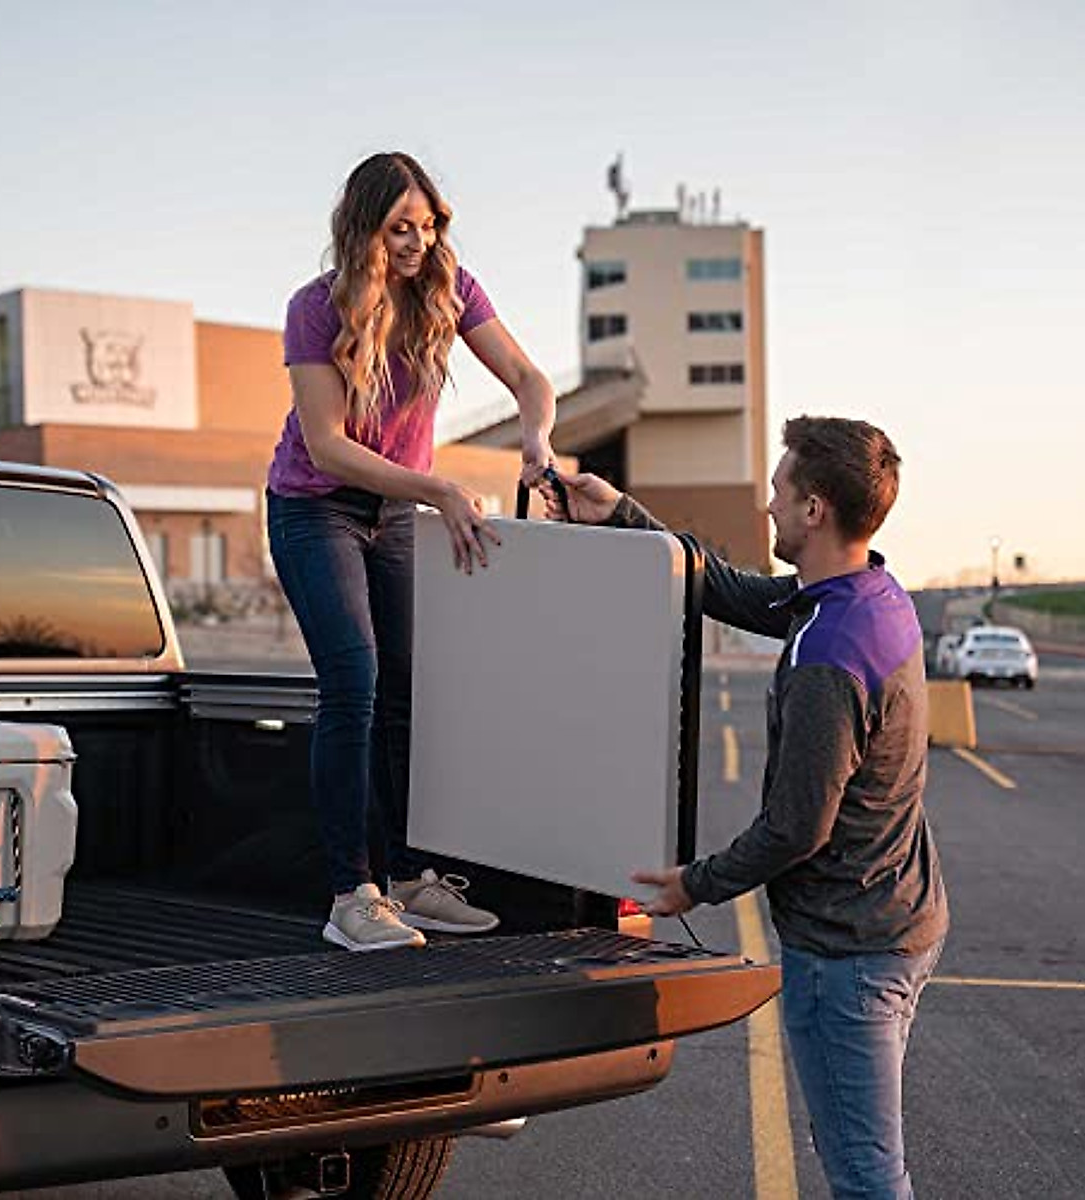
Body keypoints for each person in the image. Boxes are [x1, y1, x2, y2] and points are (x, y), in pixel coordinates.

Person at [544, 416, 948, 1199]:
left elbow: (798, 828)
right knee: (873, 1162)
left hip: (848, 952)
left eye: (779, 489)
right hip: (900, 923)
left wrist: (692, 884)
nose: (767, 505)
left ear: (815, 509)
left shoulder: (826, 658)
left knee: (865, 1176)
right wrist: (627, 518)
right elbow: (731, 591)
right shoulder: (869, 596)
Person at [267, 152, 556, 951]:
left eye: (428, 227)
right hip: (313, 509)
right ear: (362, 229)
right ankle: (349, 895)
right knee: (353, 682)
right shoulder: (314, 309)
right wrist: (438, 488)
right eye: (400, 228)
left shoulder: (451, 291)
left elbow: (531, 379)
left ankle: (408, 881)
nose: (417, 243)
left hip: (392, 513)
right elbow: (326, 448)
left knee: (409, 693)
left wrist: (536, 443)